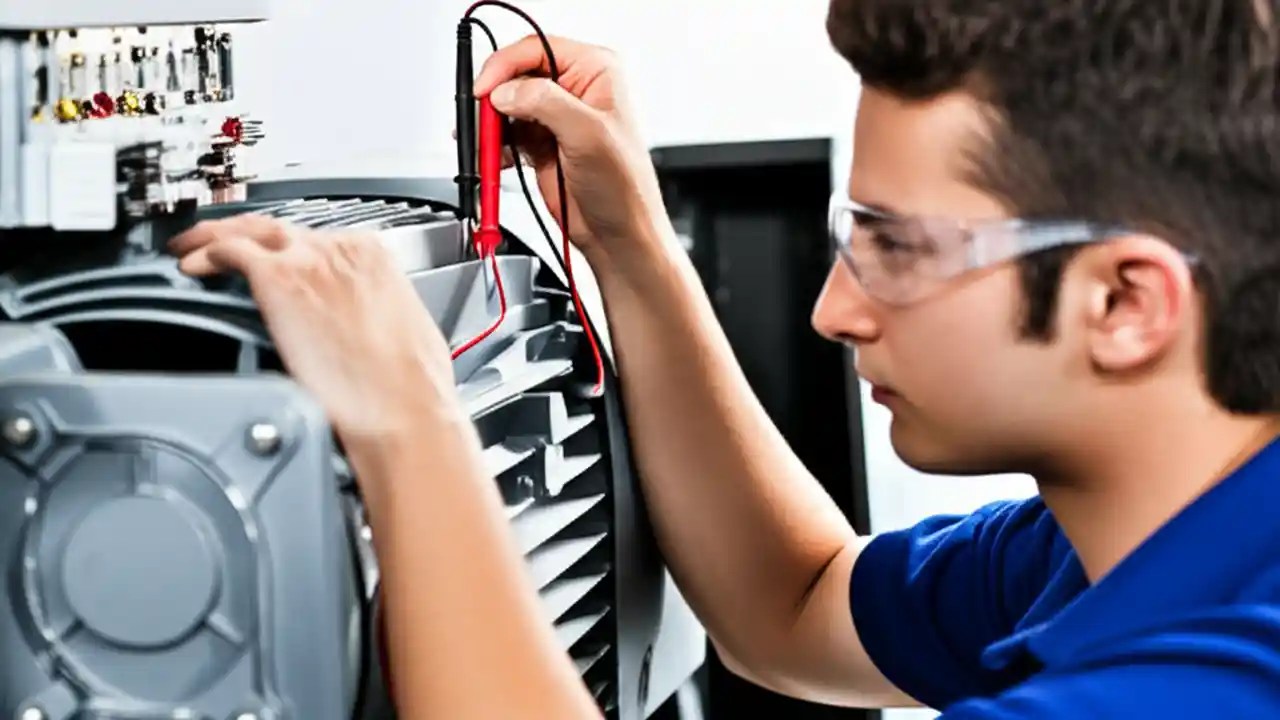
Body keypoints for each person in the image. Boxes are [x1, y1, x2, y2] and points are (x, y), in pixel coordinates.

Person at [167, 0, 1280, 717]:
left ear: (1125, 301)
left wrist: (410, 425)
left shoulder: (1207, 683)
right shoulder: (1112, 547)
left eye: (893, 246)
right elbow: (792, 605)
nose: (833, 310)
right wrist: (627, 246)